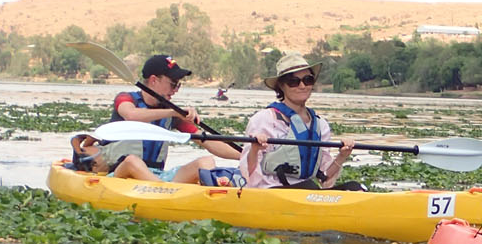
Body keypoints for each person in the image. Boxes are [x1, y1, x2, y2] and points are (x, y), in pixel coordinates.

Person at [98, 54, 242, 182]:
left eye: (178, 85)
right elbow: (131, 115)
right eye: (173, 84)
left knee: (205, 162)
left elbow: (207, 141)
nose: (175, 90)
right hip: (121, 174)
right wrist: (172, 112)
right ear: (154, 80)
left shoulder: (171, 114)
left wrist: (245, 155)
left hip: (157, 175)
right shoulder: (126, 98)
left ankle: (217, 194)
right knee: (132, 161)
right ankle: (162, 191)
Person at [240, 53, 361, 190]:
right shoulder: (264, 119)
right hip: (272, 192)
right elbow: (248, 174)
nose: (302, 86)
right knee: (308, 186)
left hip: (307, 193)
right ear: (281, 86)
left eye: (308, 80)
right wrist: (255, 149)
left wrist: (342, 155)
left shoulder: (321, 125)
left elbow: (324, 178)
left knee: (356, 187)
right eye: (293, 81)